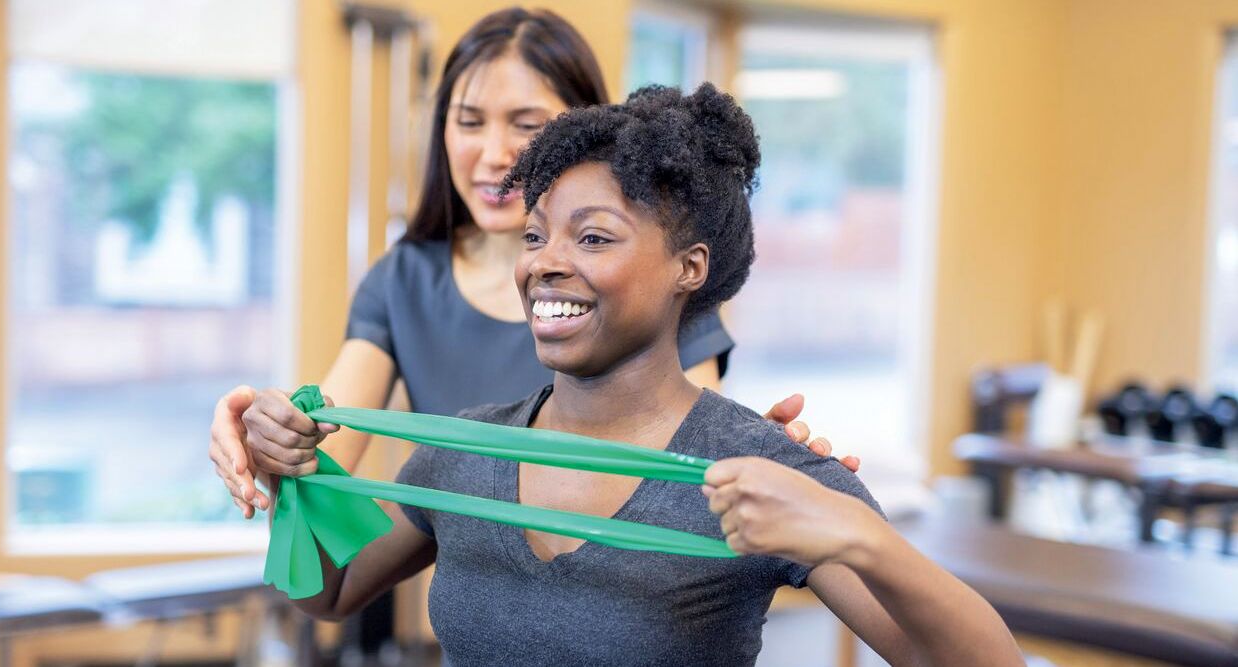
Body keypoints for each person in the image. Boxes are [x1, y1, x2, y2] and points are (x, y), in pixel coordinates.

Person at [274, 84, 1024, 666]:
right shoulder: (466, 449)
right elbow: (327, 592)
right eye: (535, 236)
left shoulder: (758, 470)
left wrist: (858, 535)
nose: (544, 264)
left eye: (593, 236)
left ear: (688, 268)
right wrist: (288, 476)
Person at [209, 7, 855, 521]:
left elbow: (690, 468)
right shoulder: (403, 281)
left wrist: (755, 456)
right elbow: (323, 456)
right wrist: (270, 437)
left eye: (526, 124)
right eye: (468, 122)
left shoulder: (644, 283)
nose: (494, 154)